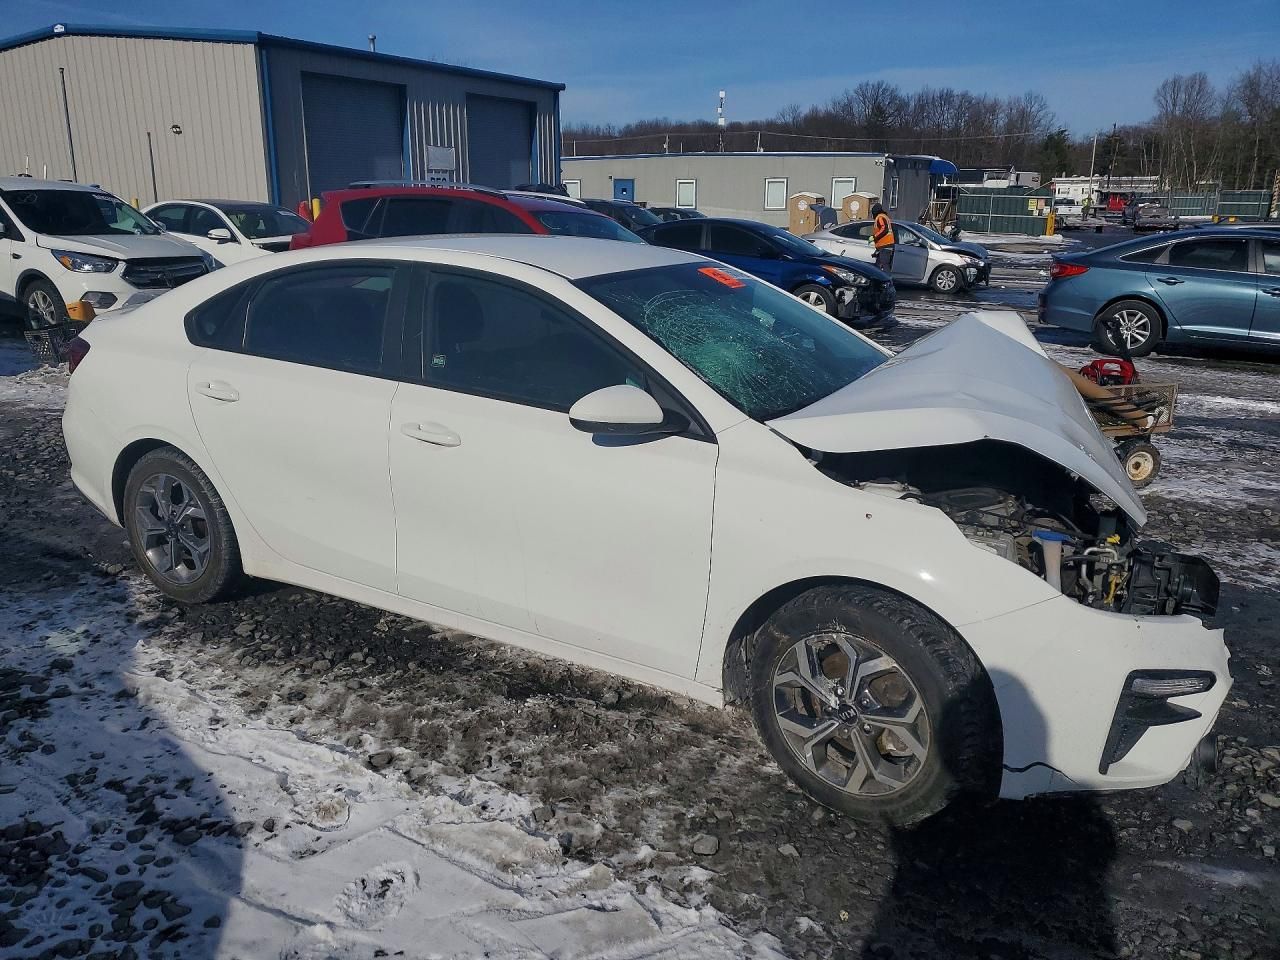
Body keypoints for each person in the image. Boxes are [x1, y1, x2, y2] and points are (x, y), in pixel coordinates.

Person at [870, 202, 895, 273]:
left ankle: (887, 281)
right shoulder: (885, 217)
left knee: (884, 265)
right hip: (886, 245)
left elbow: (884, 229)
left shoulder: (880, 217)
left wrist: (874, 237)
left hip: (885, 245)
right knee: (879, 265)